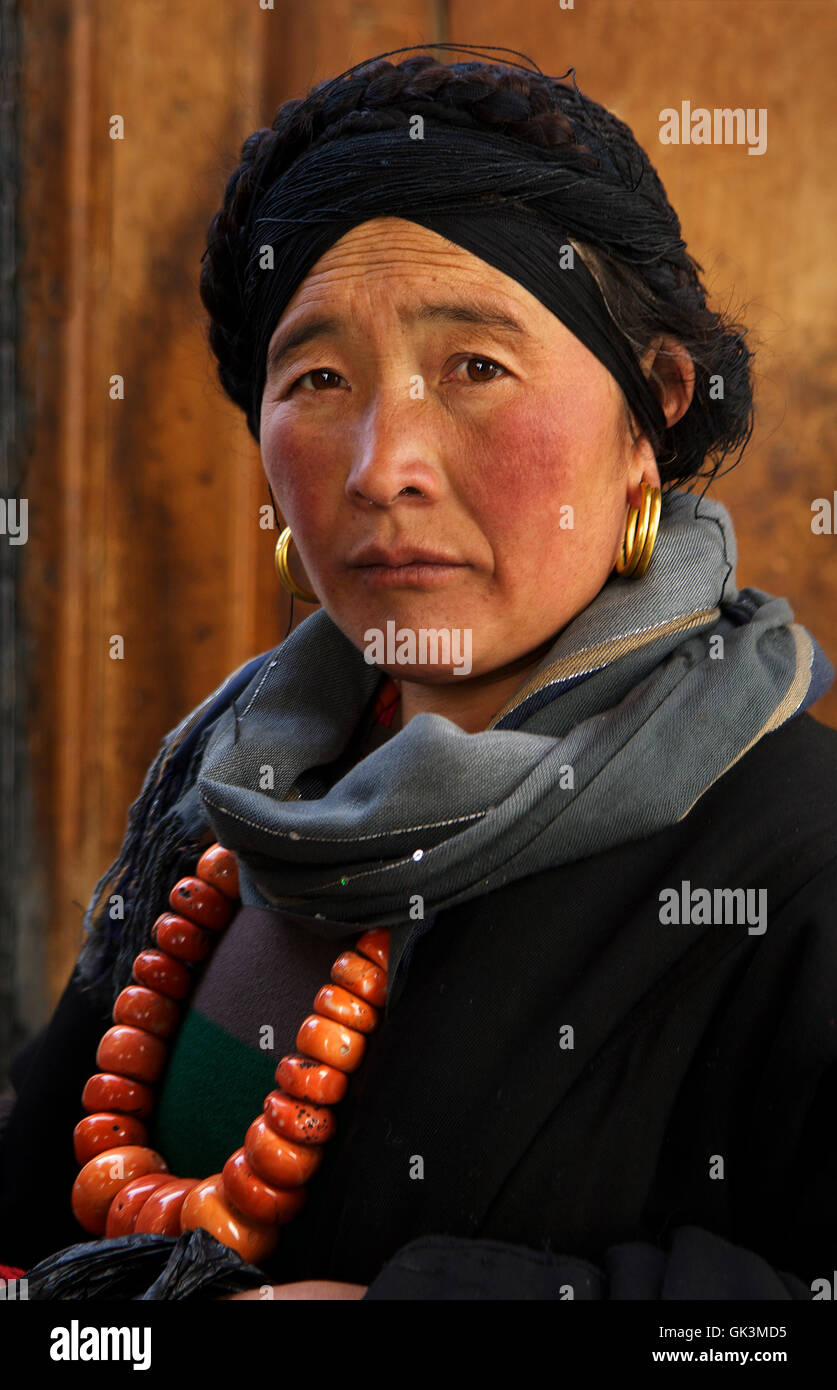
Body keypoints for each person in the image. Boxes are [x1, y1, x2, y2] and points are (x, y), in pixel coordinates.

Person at [1, 45, 836, 1301]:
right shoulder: (224, 797)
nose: (384, 464)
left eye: (476, 368)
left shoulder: (799, 859)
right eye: (319, 378)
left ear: (652, 418)